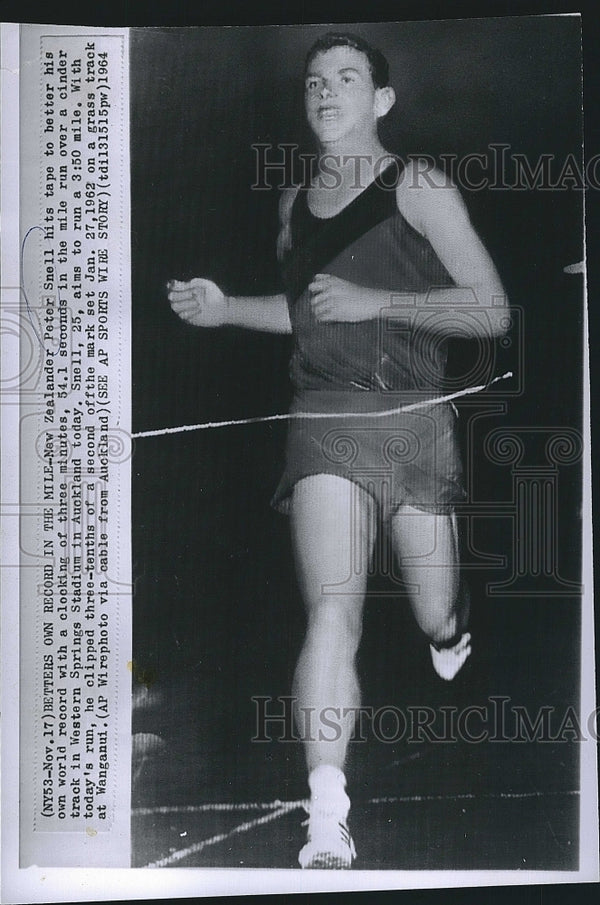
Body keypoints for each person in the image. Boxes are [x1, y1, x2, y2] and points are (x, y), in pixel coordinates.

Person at [168, 32, 508, 870]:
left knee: (436, 609)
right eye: (315, 80)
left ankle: (450, 629)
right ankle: (327, 815)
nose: (327, 92)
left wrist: (375, 299)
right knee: (332, 610)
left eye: (348, 77)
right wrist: (225, 311)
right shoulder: (292, 204)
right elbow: (309, 314)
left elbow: (492, 311)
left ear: (382, 99)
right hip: (324, 419)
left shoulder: (420, 188)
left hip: (417, 421)